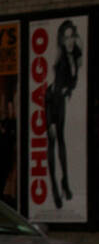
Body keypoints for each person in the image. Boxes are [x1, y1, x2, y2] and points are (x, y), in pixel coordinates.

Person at [45, 19, 82, 208]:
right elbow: (53, 86)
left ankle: (64, 183)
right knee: (54, 141)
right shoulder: (60, 57)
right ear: (61, 39)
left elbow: (73, 81)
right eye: (66, 37)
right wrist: (50, 119)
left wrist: (69, 89)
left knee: (62, 142)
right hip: (52, 101)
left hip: (61, 100)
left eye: (72, 36)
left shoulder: (74, 55)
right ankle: (55, 187)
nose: (69, 41)